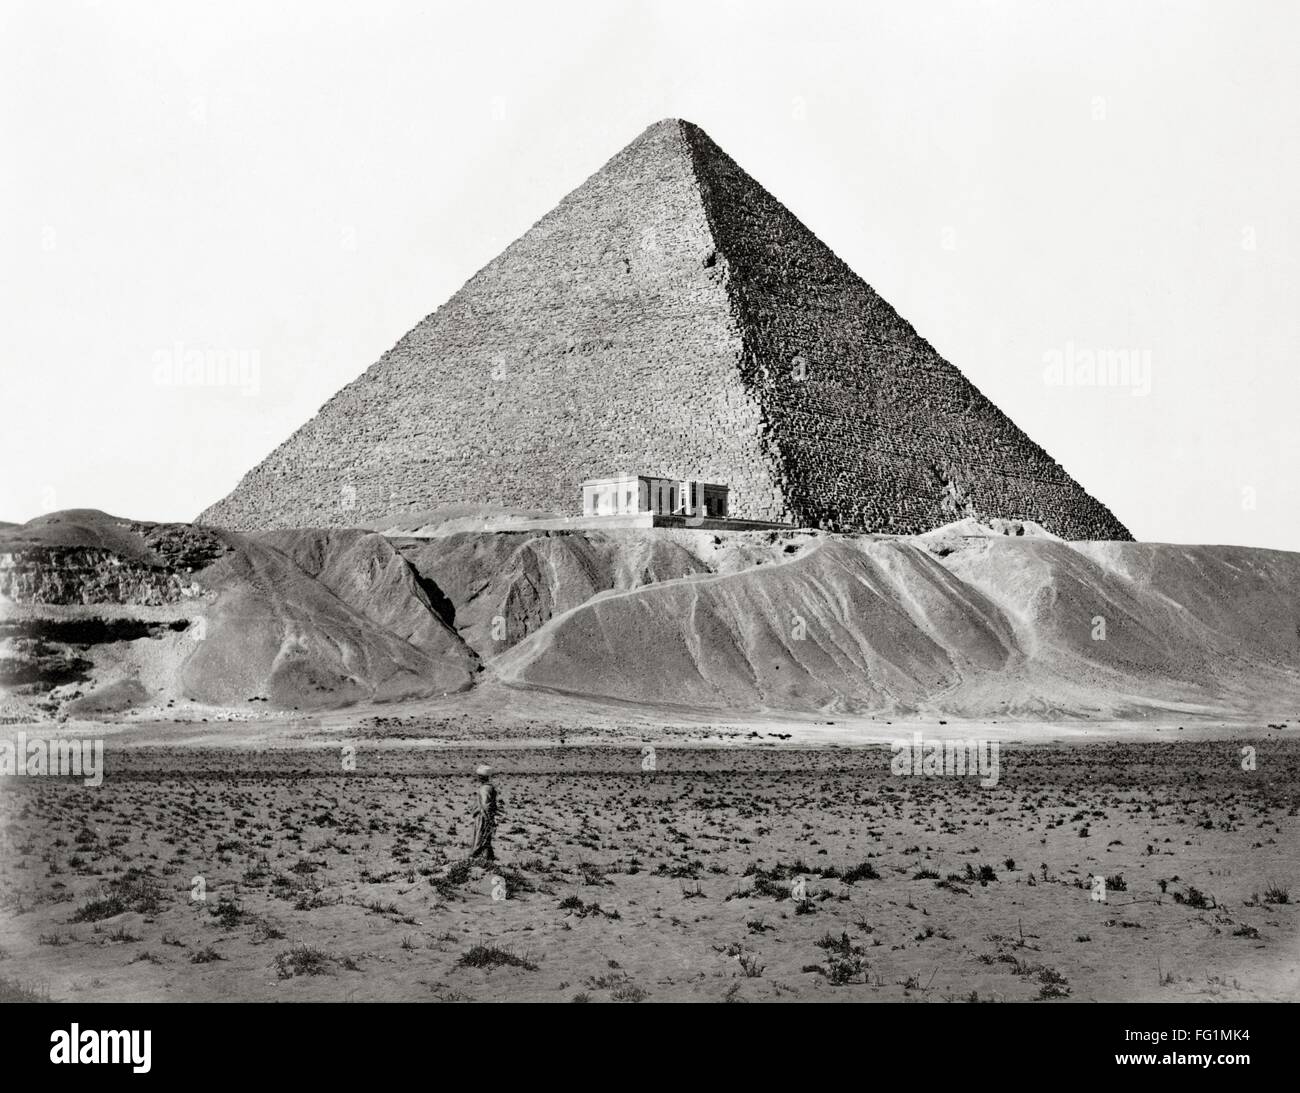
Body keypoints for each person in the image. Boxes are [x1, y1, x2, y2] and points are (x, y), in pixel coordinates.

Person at [468, 764, 499, 863]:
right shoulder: (488, 787)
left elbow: (486, 804)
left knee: (481, 837)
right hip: (484, 815)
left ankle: (476, 859)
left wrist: (487, 817)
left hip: (483, 816)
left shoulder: (485, 788)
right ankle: (488, 859)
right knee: (485, 838)